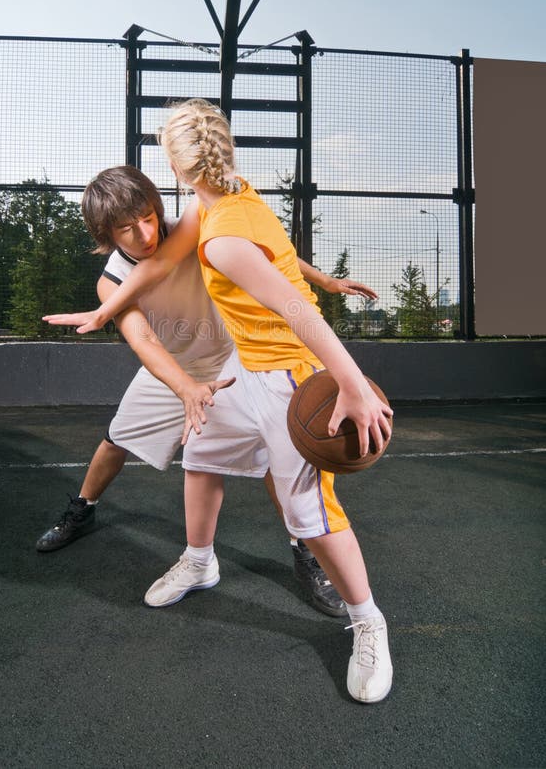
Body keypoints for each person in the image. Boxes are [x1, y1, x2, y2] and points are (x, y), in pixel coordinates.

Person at [45, 102, 394, 704]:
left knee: (307, 511)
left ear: (174, 174)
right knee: (202, 453)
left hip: (286, 376)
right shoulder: (225, 198)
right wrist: (105, 311)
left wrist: (353, 383)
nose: (142, 232)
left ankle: (368, 622)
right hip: (239, 368)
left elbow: (297, 310)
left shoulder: (219, 236)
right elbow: (165, 271)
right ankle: (200, 559)